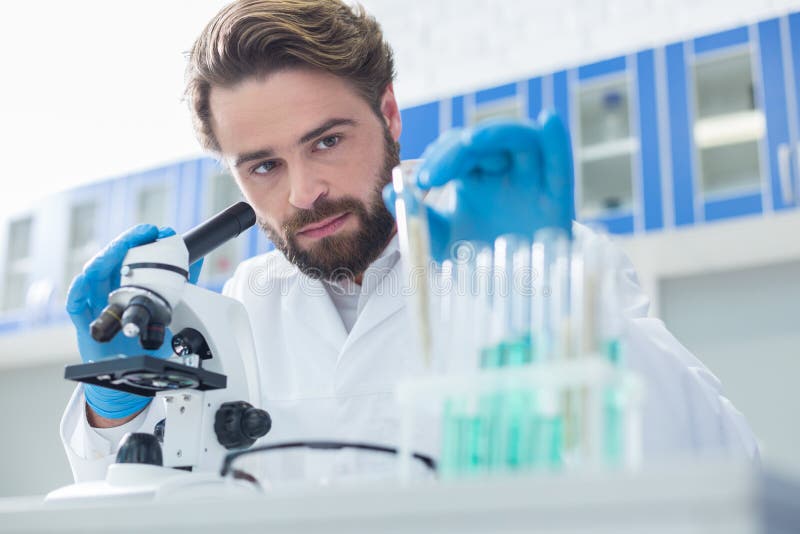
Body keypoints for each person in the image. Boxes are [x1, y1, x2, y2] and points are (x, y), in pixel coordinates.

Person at [61, 0, 758, 483]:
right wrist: (117, 401)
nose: (304, 193)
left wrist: (548, 296)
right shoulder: (242, 308)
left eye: (327, 141)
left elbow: (719, 466)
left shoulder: (525, 258)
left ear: (389, 114)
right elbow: (150, 495)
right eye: (264, 166)